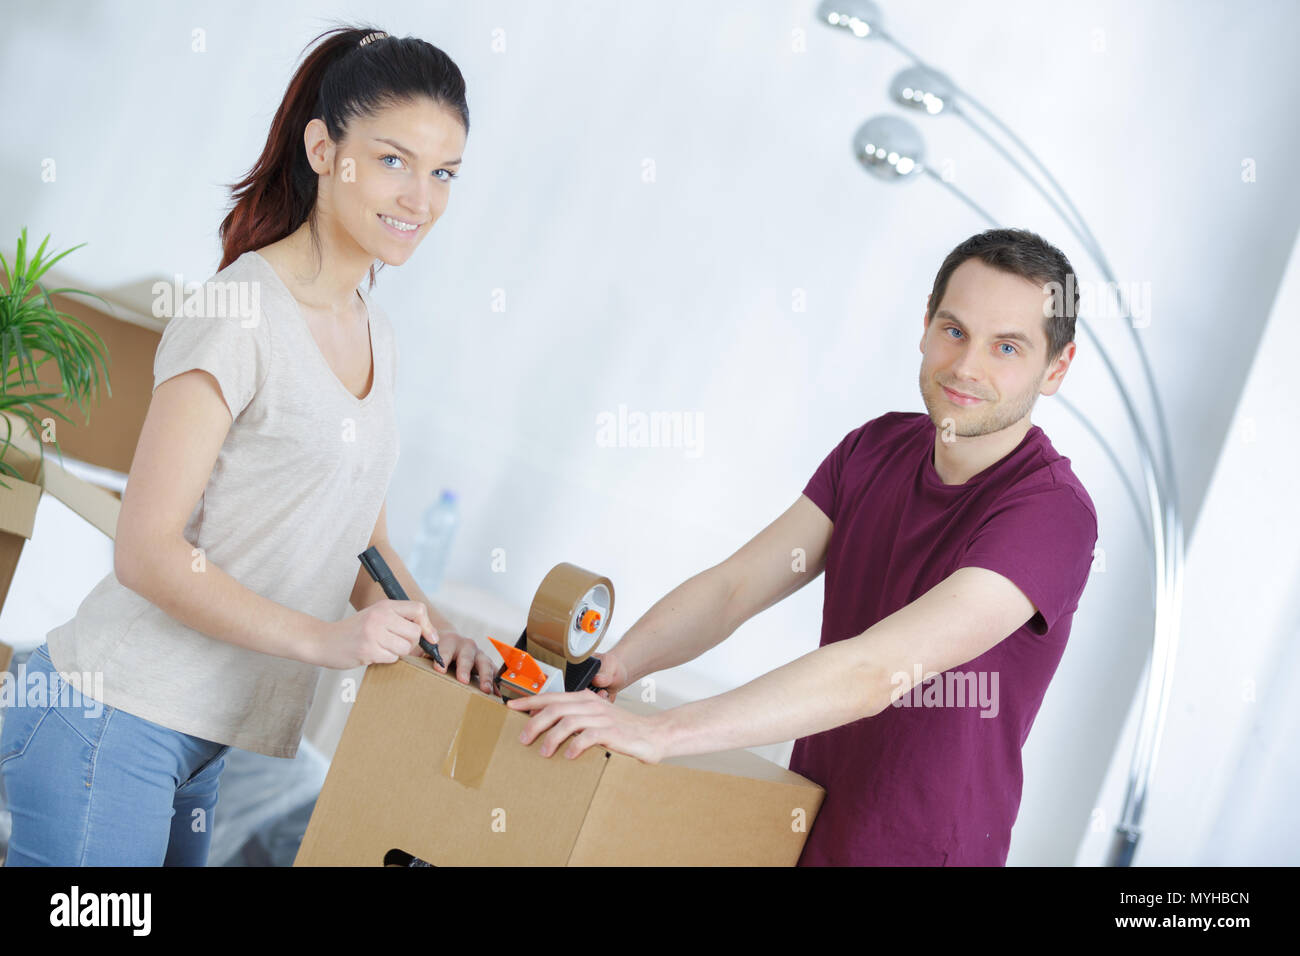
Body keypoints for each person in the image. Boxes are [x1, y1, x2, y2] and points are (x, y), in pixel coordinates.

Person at [0, 23, 495, 867]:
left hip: (204, 739)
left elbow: (361, 543)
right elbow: (146, 551)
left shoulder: (374, 331)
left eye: (443, 172)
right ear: (322, 147)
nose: (421, 198)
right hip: (111, 718)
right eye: (393, 161)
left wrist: (436, 632)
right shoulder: (241, 311)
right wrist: (323, 640)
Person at [509, 227, 1101, 866]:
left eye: (1006, 347)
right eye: (954, 331)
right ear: (926, 324)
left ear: (1055, 368)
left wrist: (663, 732)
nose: (966, 367)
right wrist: (617, 668)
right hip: (799, 829)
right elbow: (736, 588)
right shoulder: (874, 449)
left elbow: (876, 671)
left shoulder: (1051, 514)